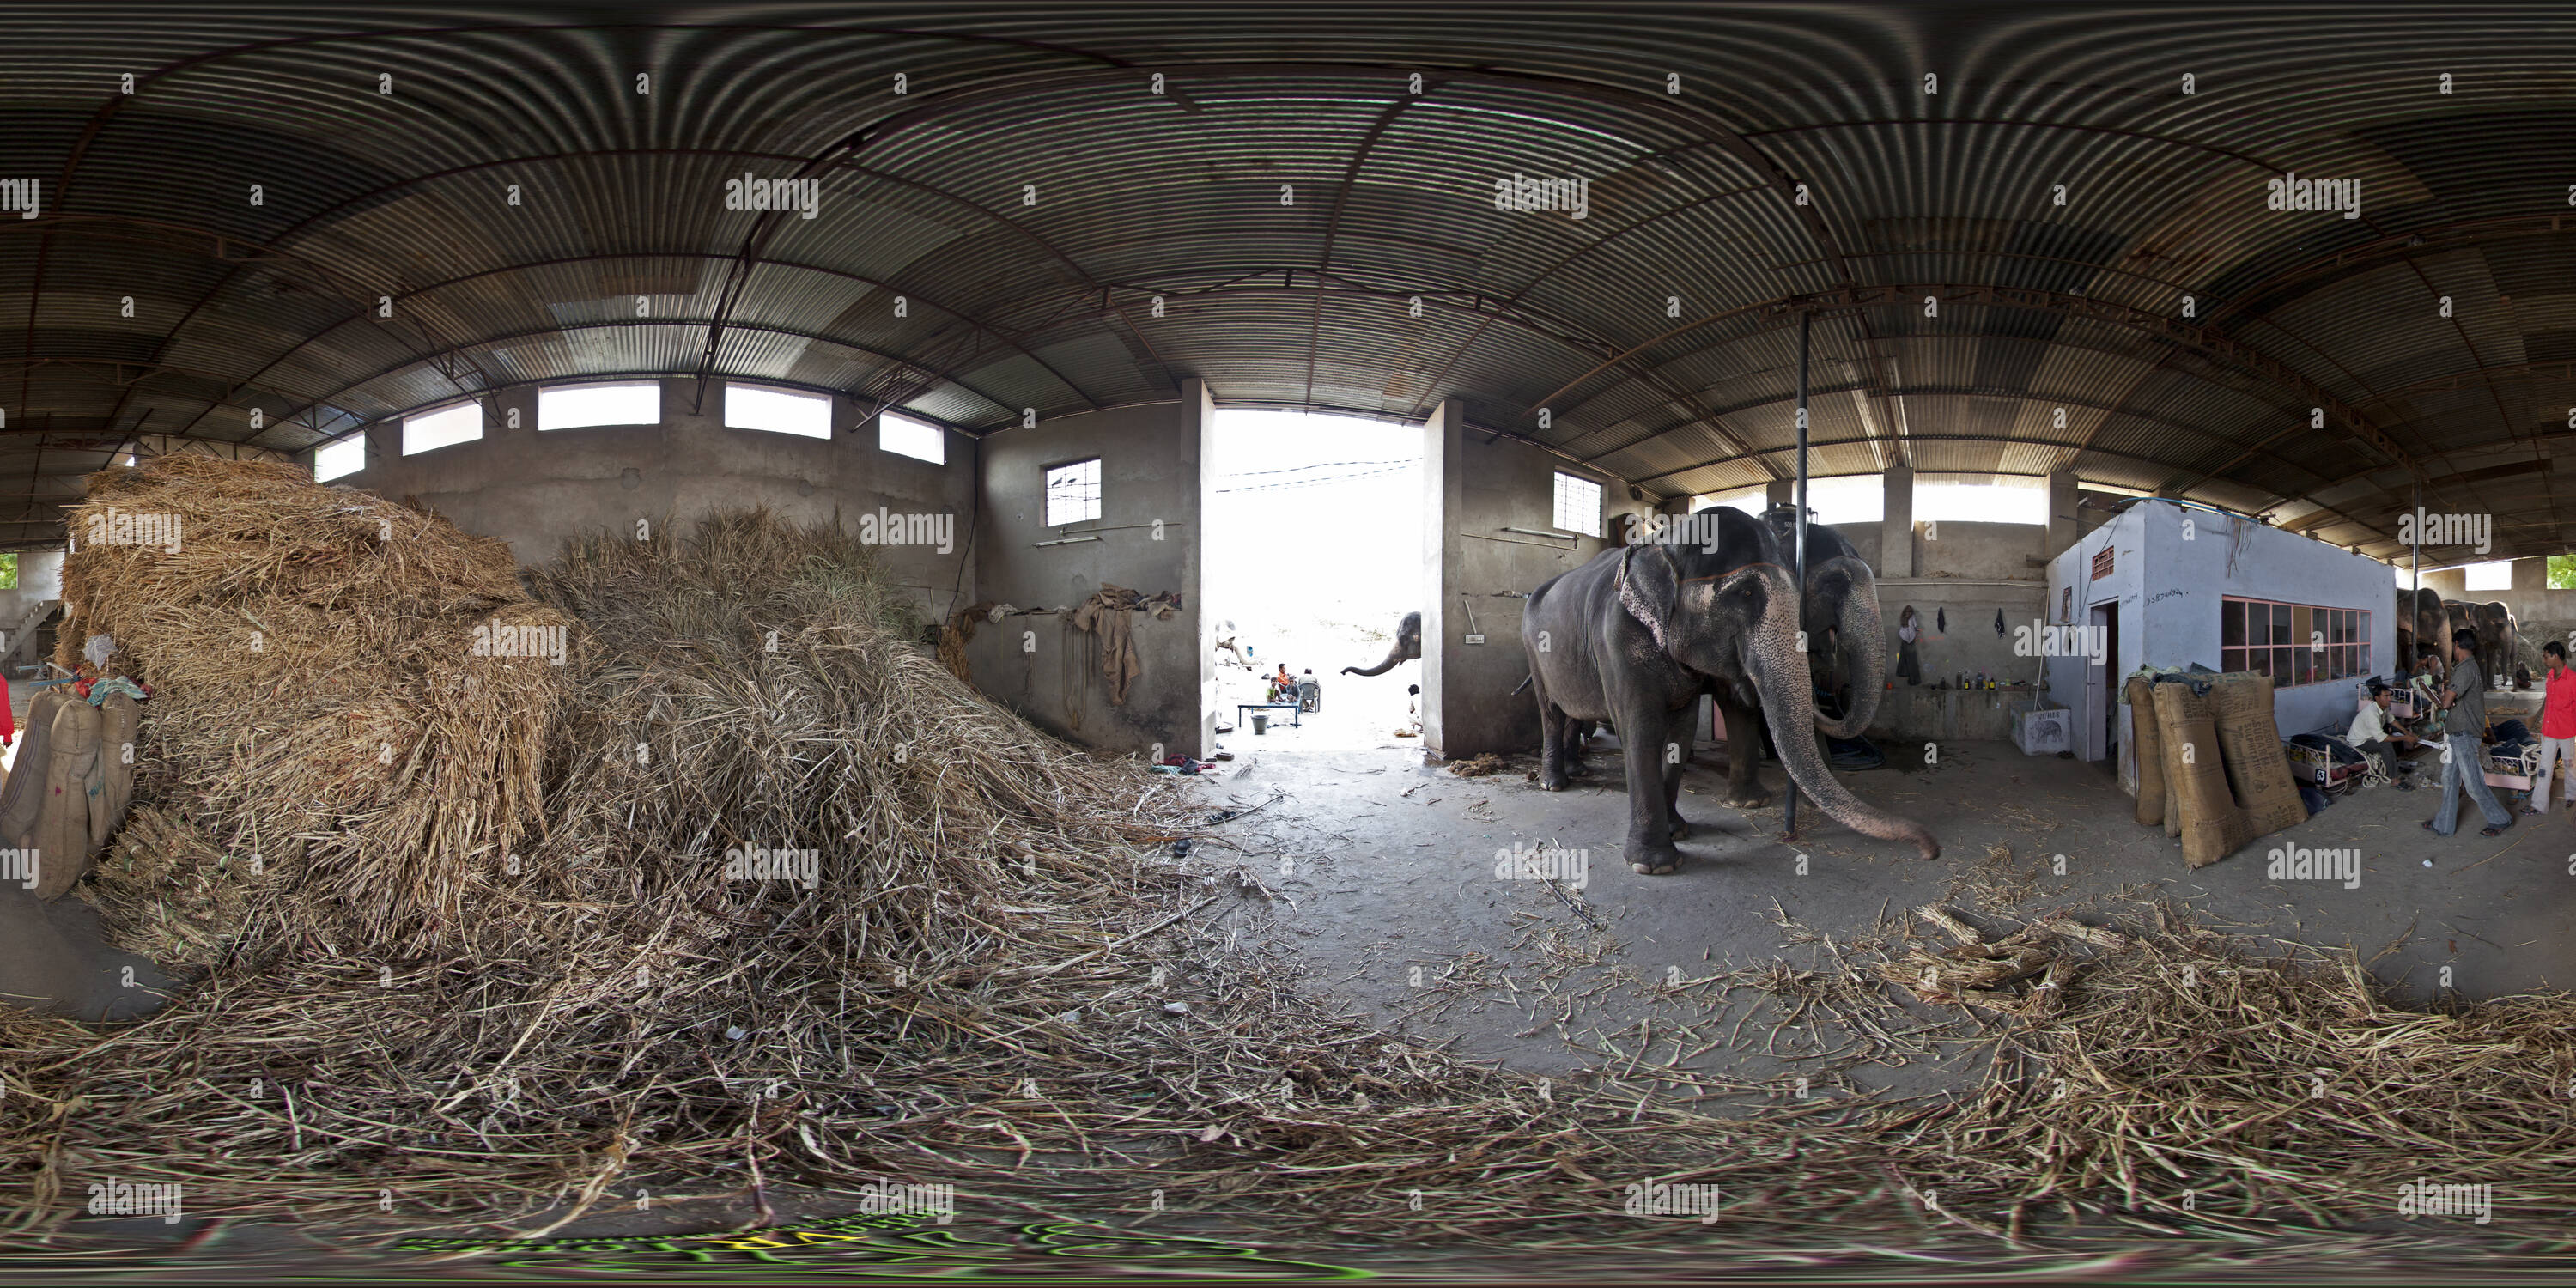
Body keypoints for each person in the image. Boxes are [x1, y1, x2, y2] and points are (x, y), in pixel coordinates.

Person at [2426, 628, 2512, 839]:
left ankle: (2501, 819)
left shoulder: (2465, 668)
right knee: (2449, 779)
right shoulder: (2468, 667)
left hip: (2464, 734)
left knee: (2473, 783)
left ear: (2456, 645)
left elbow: (2446, 702)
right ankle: (2443, 824)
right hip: (2457, 733)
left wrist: (2445, 696)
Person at [2530, 641, 2576, 815]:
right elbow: (2548, 703)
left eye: (2545, 656)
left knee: (2570, 765)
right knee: (2544, 768)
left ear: (2555, 656)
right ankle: (2539, 805)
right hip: (2548, 731)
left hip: (2566, 731)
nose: (2544, 660)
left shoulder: (2572, 679)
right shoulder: (2549, 676)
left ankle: (2572, 796)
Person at [2348, 681, 2420, 789]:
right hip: (2360, 742)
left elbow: (2392, 720)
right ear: (2377, 698)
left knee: (2395, 735)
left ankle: (2395, 764)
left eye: (2389, 696)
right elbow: (2383, 739)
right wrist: (2406, 738)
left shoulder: (2383, 707)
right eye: (2385, 696)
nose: (2389, 699)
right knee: (2386, 745)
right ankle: (2394, 780)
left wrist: (2406, 732)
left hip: (2371, 737)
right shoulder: (2371, 713)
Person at [1895, 606, 1923, 686]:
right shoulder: (1903, 619)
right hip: (1904, 640)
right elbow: (1903, 630)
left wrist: (1916, 632)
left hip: (1911, 641)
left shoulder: (1912, 618)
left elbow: (1915, 628)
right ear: (1905, 612)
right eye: (1907, 611)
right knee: (1904, 659)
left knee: (1912, 660)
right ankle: (1907, 676)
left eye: (1910, 612)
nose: (1909, 613)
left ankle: (1914, 680)